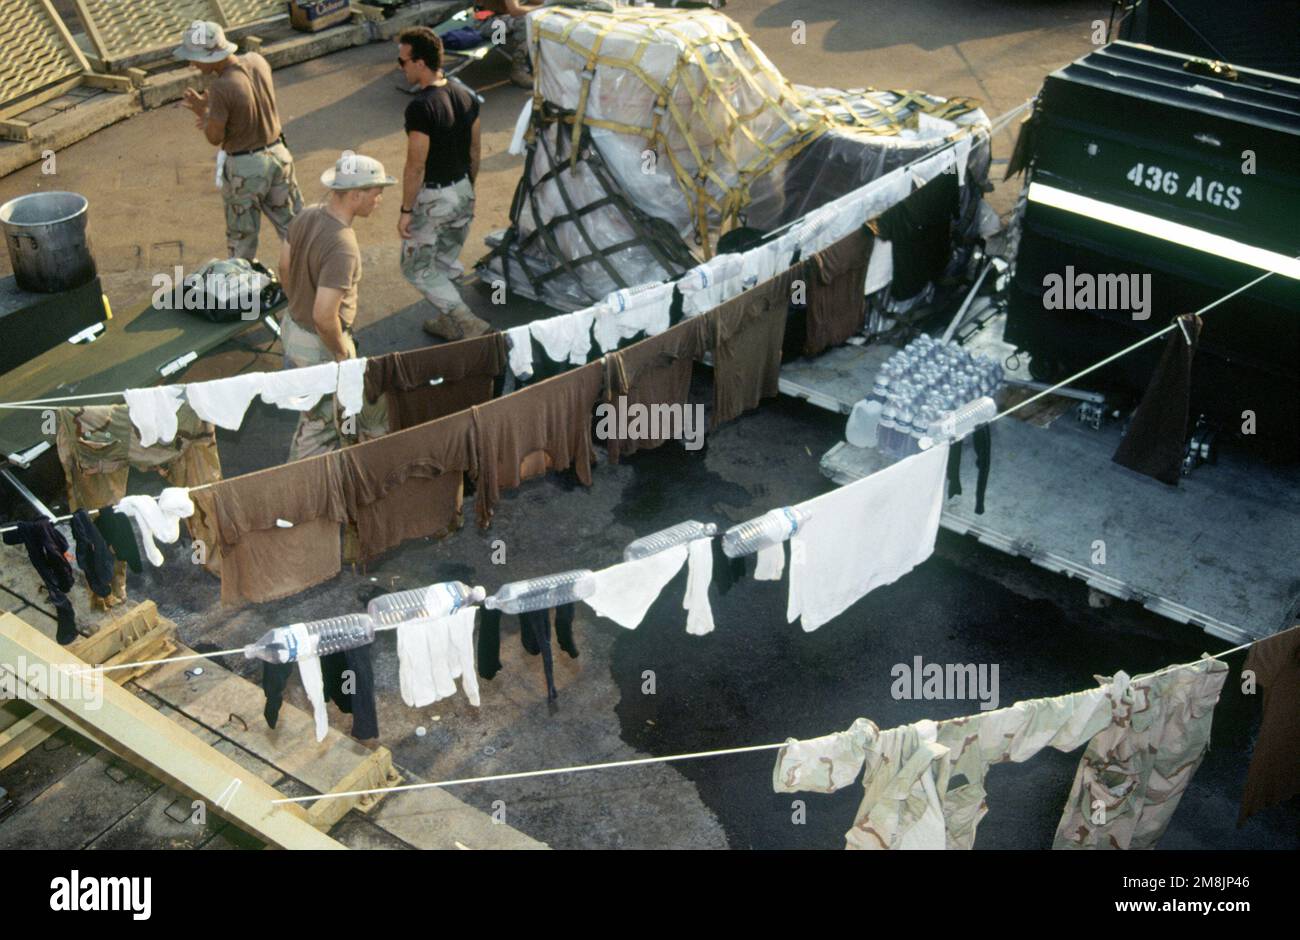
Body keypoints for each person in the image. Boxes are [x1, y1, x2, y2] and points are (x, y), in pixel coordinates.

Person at [277, 153, 393, 461]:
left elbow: (284, 267)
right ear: (356, 195)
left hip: (293, 331)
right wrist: (342, 354)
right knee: (317, 428)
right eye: (376, 191)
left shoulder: (306, 215)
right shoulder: (343, 245)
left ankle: (353, 462)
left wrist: (298, 300)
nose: (379, 198)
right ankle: (293, 494)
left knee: (351, 409)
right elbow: (324, 315)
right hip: (320, 347)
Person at [175, 20, 303, 261]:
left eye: (194, 57)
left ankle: (243, 291)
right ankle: (310, 280)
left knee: (242, 239)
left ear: (209, 56)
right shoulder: (257, 61)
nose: (191, 64)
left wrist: (204, 113)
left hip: (247, 169)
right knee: (294, 228)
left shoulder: (221, 87)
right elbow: (249, 108)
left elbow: (215, 137)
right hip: (279, 155)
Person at [397, 27, 492, 341]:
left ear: (420, 63)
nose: (402, 67)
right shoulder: (466, 95)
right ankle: (447, 321)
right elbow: (475, 150)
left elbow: (415, 165)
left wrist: (406, 211)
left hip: (436, 198)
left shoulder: (420, 108)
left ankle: (466, 321)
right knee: (443, 259)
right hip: (464, 190)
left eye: (404, 62)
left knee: (415, 266)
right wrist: (468, 188)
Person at [477, 0, 544, 88]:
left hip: (502, 17)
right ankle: (518, 70)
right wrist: (545, 7)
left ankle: (539, 59)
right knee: (525, 21)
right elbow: (515, 11)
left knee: (544, 15)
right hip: (487, 24)